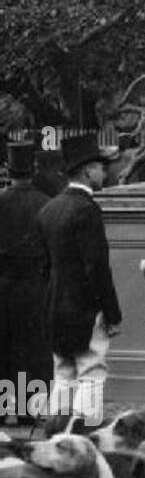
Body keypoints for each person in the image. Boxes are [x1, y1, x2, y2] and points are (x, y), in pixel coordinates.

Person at [36, 134, 121, 422]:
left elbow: (44, 265)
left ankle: (57, 435)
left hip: (55, 304)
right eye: (100, 166)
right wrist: (112, 312)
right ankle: (85, 436)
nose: (105, 172)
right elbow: (96, 267)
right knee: (91, 372)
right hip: (86, 308)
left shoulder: (49, 209)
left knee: (63, 373)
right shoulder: (87, 210)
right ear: (87, 171)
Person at [0, 142, 50, 425]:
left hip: (3, 285)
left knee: (5, 349)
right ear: (33, 170)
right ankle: (30, 410)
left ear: (8, 170)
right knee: (34, 350)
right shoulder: (46, 203)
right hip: (35, 285)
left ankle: (3, 406)